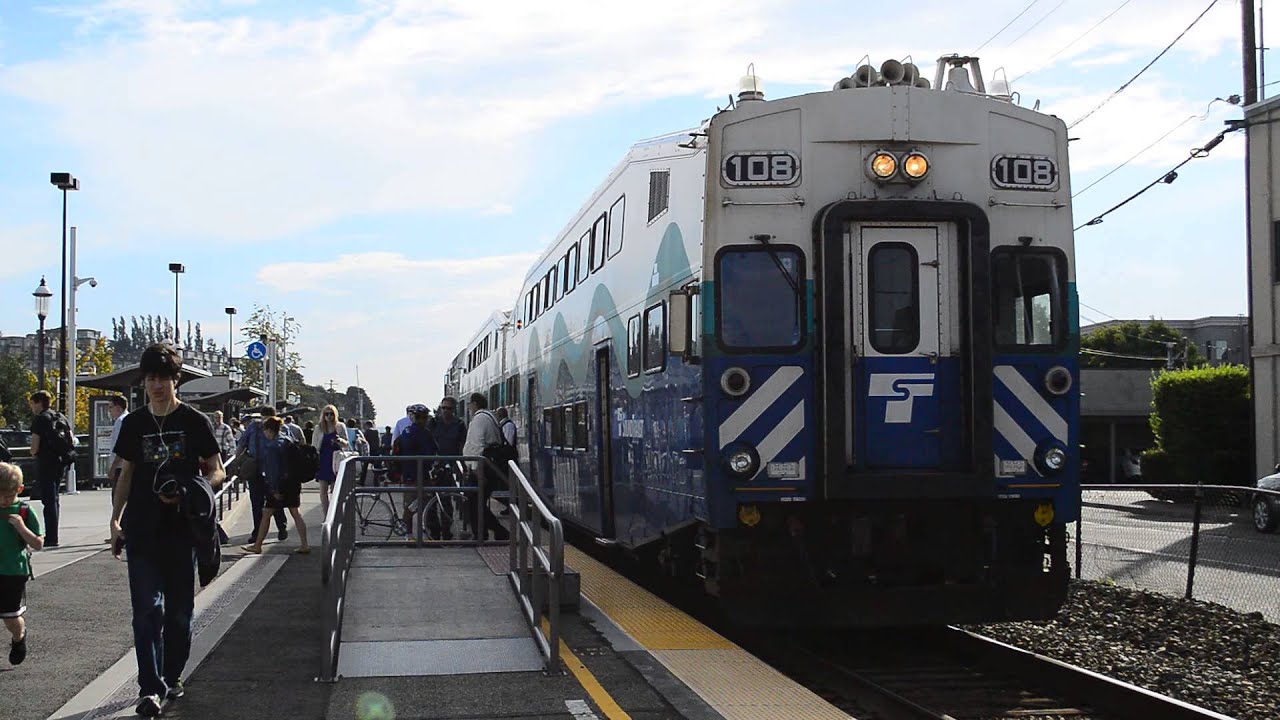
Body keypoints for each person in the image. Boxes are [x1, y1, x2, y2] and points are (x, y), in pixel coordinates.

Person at [109, 343, 226, 716]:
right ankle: (150, 688)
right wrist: (114, 518)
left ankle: (172, 676)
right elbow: (126, 473)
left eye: (163, 378)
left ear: (176, 380)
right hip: (142, 528)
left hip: (181, 531)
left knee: (179, 614)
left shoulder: (194, 421)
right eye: (150, 379)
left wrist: (196, 488)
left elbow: (218, 468)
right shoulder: (134, 423)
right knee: (146, 610)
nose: (156, 385)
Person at [241, 418, 309, 555]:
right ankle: (304, 544)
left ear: (269, 430)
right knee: (296, 513)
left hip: (279, 485)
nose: (264, 433)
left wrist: (274, 489)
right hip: (293, 483)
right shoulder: (288, 440)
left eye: (265, 430)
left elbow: (273, 470)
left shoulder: (272, 447)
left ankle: (258, 545)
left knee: (266, 514)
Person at [0, 462, 43, 667]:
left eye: (7, 496)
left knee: (11, 618)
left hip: (13, 571)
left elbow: (38, 543)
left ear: (19, 490)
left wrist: (21, 527)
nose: (2, 501)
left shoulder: (24, 510)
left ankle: (19, 637)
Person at [236, 409, 288, 543]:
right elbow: (242, 443)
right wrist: (238, 461)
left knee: (275, 500)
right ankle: (257, 532)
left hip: (272, 470)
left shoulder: (280, 428)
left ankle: (282, 527)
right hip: (256, 468)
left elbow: (286, 445)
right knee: (256, 502)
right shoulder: (253, 427)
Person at [462, 393, 508, 541]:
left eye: (469, 404)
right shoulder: (488, 416)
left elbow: (477, 445)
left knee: (474, 503)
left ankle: (494, 532)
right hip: (487, 465)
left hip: (482, 468)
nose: (468, 407)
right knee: (476, 503)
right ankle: (484, 533)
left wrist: (476, 470)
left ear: (474, 404)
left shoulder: (480, 418)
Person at [27, 390, 69, 548]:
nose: (32, 407)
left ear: (38, 403)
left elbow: (34, 445)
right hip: (59, 462)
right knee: (55, 499)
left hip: (45, 462)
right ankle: (54, 534)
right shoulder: (60, 416)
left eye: (32, 403)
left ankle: (51, 538)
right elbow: (70, 437)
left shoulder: (40, 419)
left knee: (48, 500)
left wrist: (33, 453)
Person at [392, 405, 438, 528]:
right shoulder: (425, 433)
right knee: (426, 501)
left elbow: (396, 448)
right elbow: (433, 451)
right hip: (422, 474)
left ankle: (408, 533)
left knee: (410, 502)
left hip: (407, 474)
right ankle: (427, 530)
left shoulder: (405, 433)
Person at [312, 405, 348, 515]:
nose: (329, 416)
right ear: (323, 415)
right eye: (326, 414)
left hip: (335, 459)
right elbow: (314, 445)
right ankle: (326, 515)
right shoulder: (318, 428)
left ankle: (334, 514)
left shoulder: (340, 426)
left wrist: (339, 440)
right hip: (323, 459)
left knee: (335, 490)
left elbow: (347, 444)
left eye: (331, 414)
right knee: (323, 491)